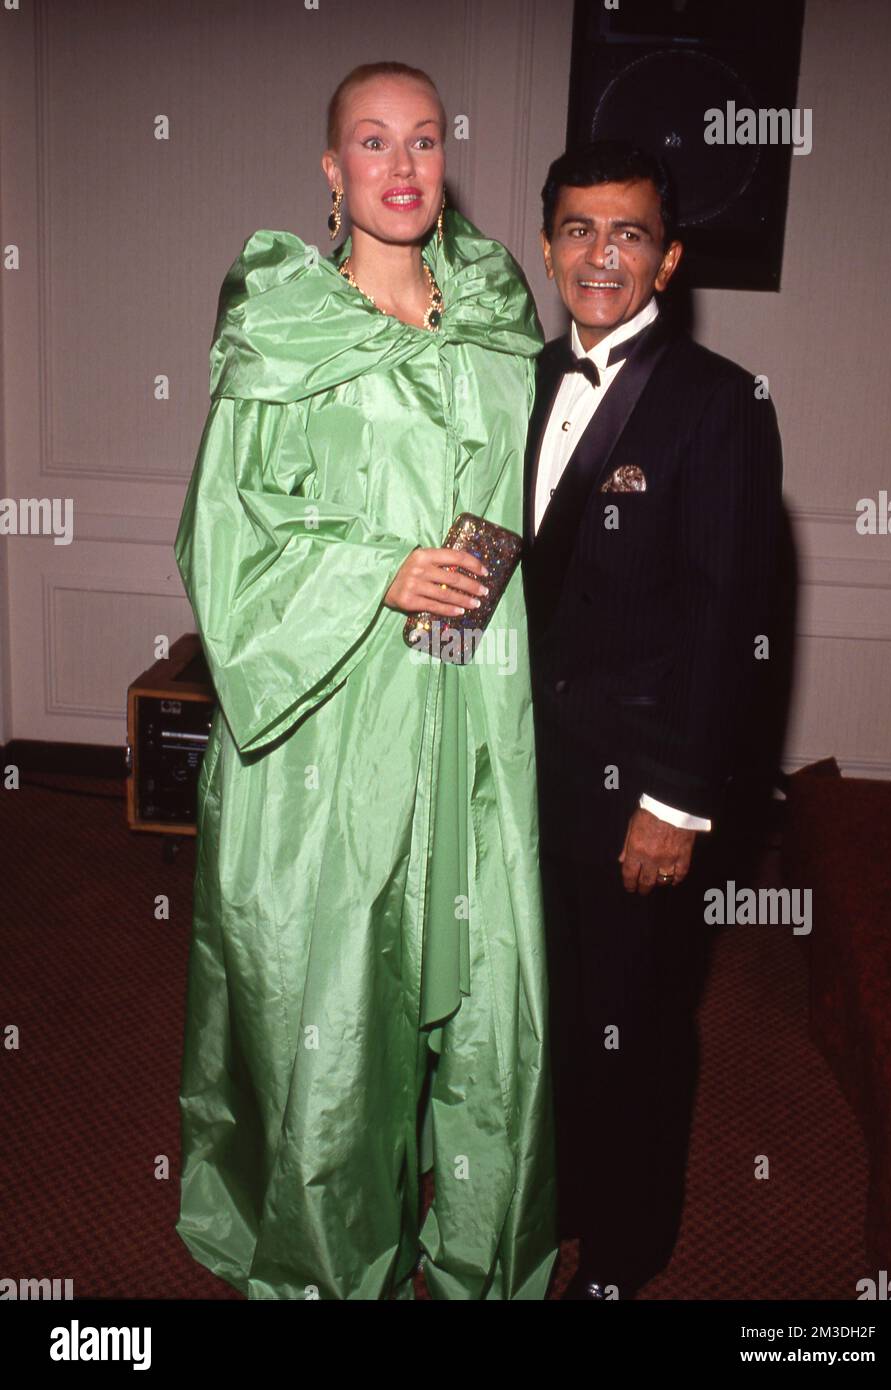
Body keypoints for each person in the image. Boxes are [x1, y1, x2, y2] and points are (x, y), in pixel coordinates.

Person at [173, 61, 556, 1301]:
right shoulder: (280, 334)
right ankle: (329, 1276)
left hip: (474, 710)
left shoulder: (499, 326)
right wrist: (379, 573)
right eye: (373, 142)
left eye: (426, 140)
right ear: (331, 174)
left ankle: (478, 1269)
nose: (403, 165)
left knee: (489, 1009)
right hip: (328, 723)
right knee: (331, 1018)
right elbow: (223, 539)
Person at [522, 141, 783, 1299]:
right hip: (517, 778)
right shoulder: (515, 380)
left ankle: (625, 1254)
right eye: (578, 228)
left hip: (639, 794)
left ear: (667, 259)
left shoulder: (718, 405)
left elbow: (734, 621)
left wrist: (675, 803)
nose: (599, 253)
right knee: (550, 1020)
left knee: (637, 1031)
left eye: (627, 233)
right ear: (545, 245)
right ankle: (560, 1195)